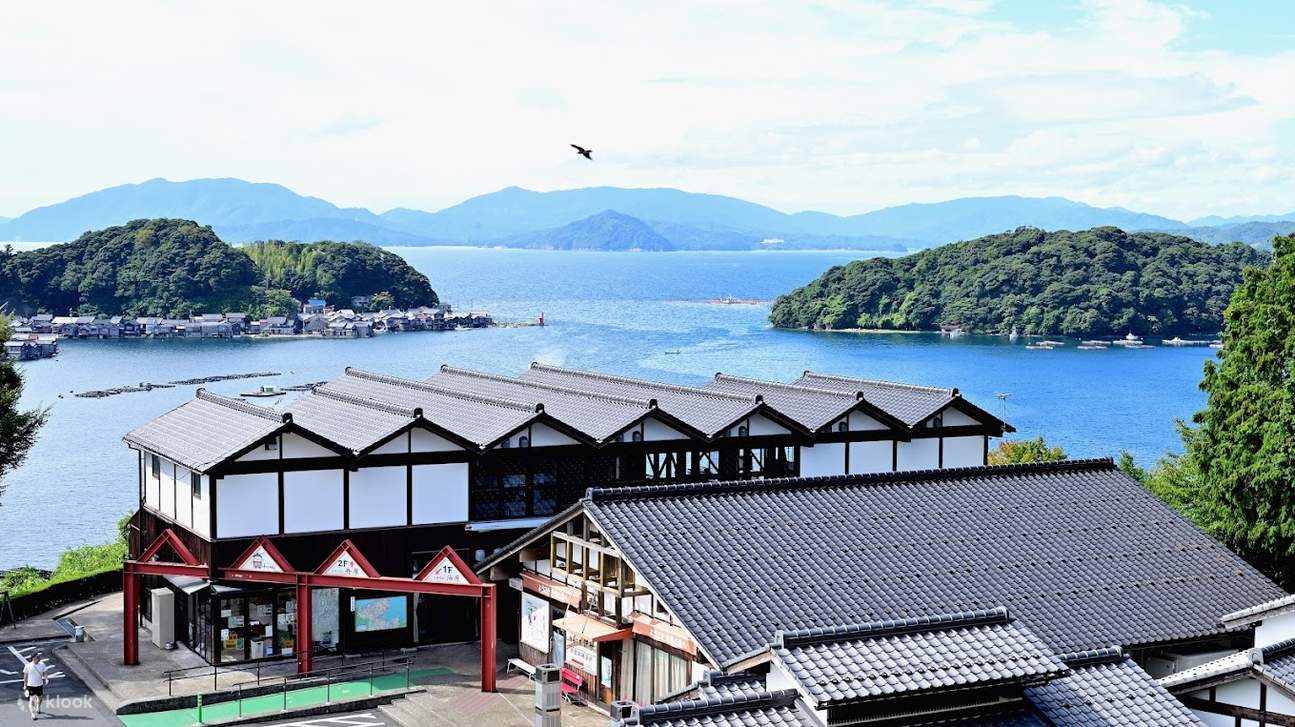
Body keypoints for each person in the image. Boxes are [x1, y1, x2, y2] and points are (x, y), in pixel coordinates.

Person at [22, 653, 48, 720]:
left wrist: (46, 678)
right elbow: (25, 676)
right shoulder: (28, 666)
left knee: (40, 698)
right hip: (31, 685)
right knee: (31, 699)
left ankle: (38, 707)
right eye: (37, 657)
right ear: (33, 658)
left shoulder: (42, 664)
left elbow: (45, 672)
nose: (39, 658)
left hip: (39, 684)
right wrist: (25, 685)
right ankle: (33, 714)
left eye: (39, 657)